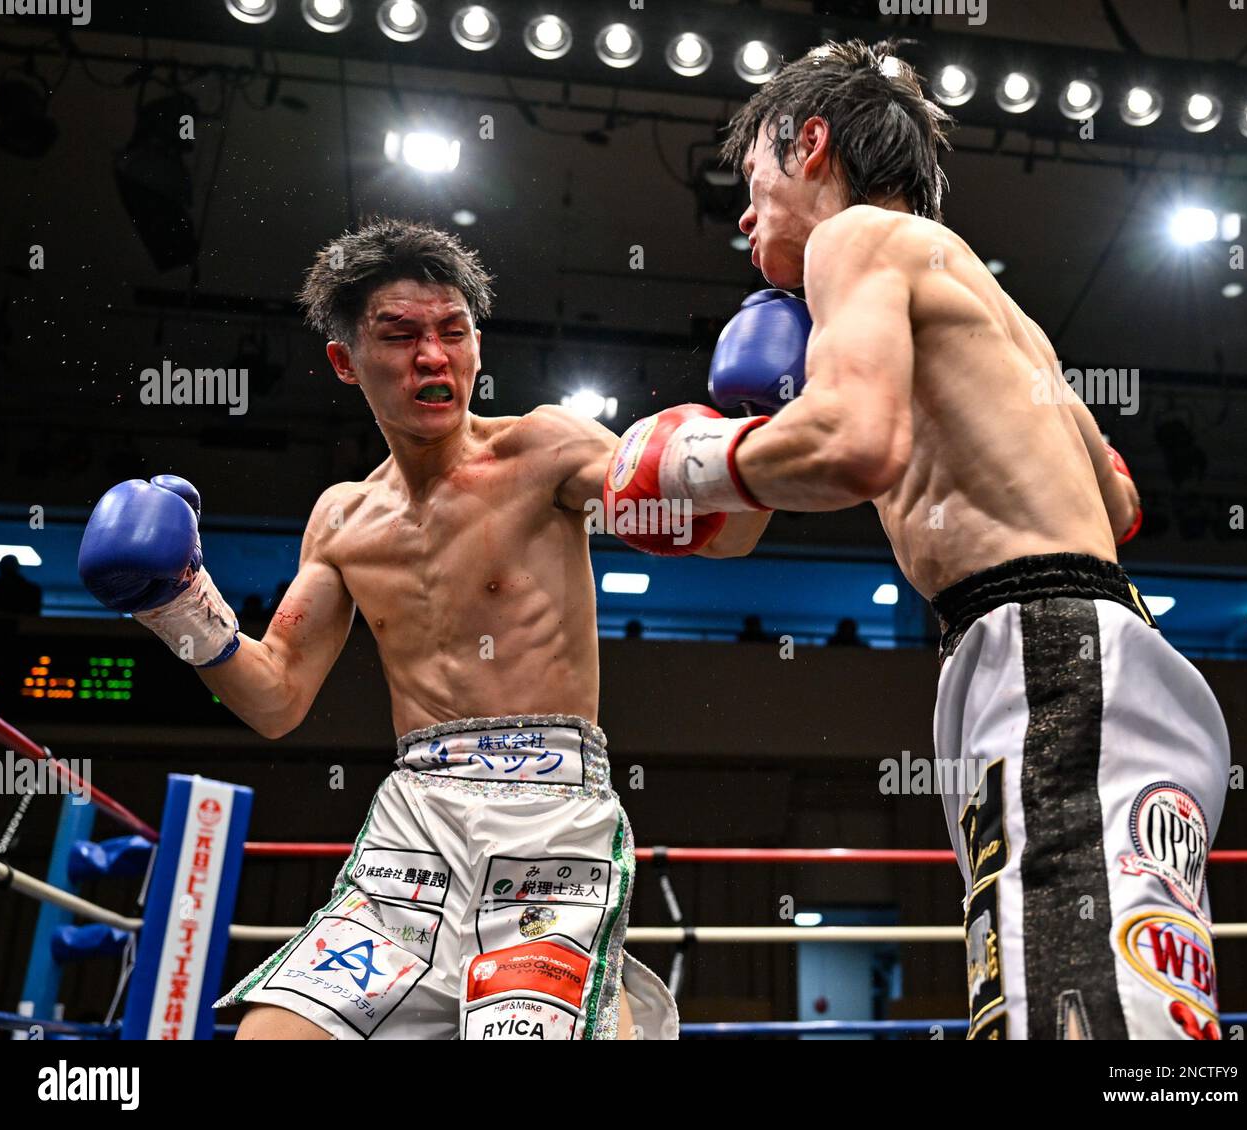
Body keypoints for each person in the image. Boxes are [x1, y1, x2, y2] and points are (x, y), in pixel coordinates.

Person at [605, 41, 1228, 1041]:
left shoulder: (852, 240)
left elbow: (854, 445)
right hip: (1087, 652)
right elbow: (1116, 499)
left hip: (1044, 657)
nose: (742, 214)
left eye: (751, 177)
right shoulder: (999, 310)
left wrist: (687, 459)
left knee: (1068, 1005)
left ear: (808, 142)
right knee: (1088, 991)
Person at [77, 219, 767, 1040]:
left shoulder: (544, 451)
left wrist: (753, 429)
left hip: (547, 815)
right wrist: (178, 606)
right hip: (413, 832)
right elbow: (275, 698)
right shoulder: (343, 518)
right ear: (345, 361)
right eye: (400, 336)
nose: (433, 357)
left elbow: (724, 536)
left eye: (453, 331)